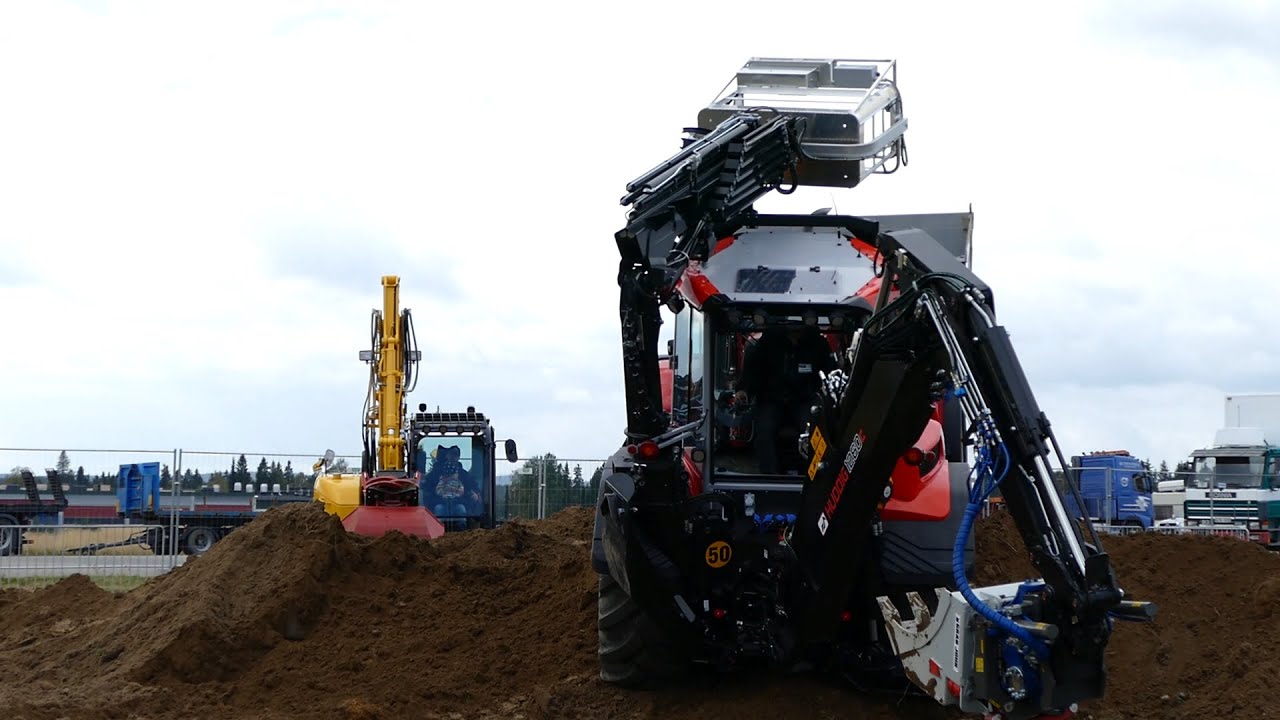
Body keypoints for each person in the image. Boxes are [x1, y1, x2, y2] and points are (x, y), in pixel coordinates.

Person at [734, 325, 836, 473]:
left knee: (815, 431)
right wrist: (743, 389)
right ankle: (769, 477)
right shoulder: (768, 341)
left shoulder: (818, 343)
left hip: (804, 398)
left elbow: (830, 373)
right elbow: (753, 371)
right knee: (764, 431)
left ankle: (814, 474)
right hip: (772, 399)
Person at [422, 445, 481, 517]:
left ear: (459, 457)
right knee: (439, 510)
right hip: (439, 503)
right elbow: (426, 489)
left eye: (455, 455)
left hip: (459, 503)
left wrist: (476, 494)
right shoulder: (434, 474)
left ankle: (463, 527)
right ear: (447, 456)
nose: (453, 457)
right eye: (451, 454)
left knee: (461, 510)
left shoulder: (464, 475)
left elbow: (473, 487)